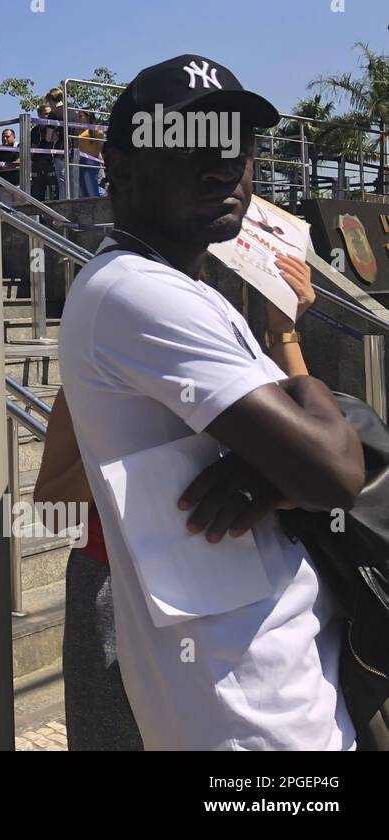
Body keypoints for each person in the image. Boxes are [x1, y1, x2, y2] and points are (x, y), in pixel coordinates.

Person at [58, 52, 363, 750]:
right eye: (188, 145)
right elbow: (335, 471)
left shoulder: (189, 292)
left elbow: (315, 466)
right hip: (245, 718)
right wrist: (308, 403)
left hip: (287, 687)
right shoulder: (135, 291)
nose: (224, 165)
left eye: (239, 144)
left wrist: (269, 471)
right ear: (122, 166)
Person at [39, 252, 319, 751]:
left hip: (238, 578)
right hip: (115, 579)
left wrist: (284, 332)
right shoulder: (95, 376)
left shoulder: (238, 367)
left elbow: (318, 453)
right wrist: (115, 422)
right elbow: (50, 505)